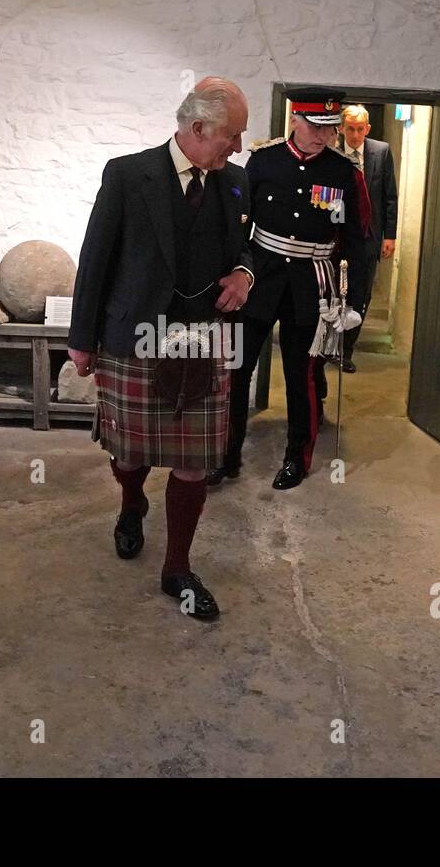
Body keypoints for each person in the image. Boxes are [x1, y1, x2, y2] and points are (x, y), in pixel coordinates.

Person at [67, 77, 255, 621]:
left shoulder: (234, 183)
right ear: (197, 128)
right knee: (128, 454)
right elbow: (96, 257)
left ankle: (177, 568)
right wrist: (82, 339)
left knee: (195, 462)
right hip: (134, 339)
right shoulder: (128, 175)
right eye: (231, 135)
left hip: (203, 342)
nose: (238, 147)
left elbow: (247, 247)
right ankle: (132, 502)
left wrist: (244, 273)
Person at [209, 87, 367, 491]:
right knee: (237, 368)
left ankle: (297, 457)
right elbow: (239, 224)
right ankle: (225, 454)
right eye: (314, 126)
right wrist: (231, 273)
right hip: (260, 276)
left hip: (311, 283)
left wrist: (352, 301)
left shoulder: (345, 173)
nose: (323, 136)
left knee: (303, 377)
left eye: (330, 129)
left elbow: (356, 240)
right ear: (294, 119)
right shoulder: (264, 161)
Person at [337, 104, 397, 372]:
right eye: (350, 128)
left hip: (368, 236)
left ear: (367, 129)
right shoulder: (332, 153)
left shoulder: (380, 152)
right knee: (334, 293)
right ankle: (328, 345)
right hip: (337, 238)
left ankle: (346, 350)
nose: (355, 134)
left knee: (360, 295)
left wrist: (390, 236)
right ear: (341, 128)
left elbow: (389, 196)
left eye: (360, 129)